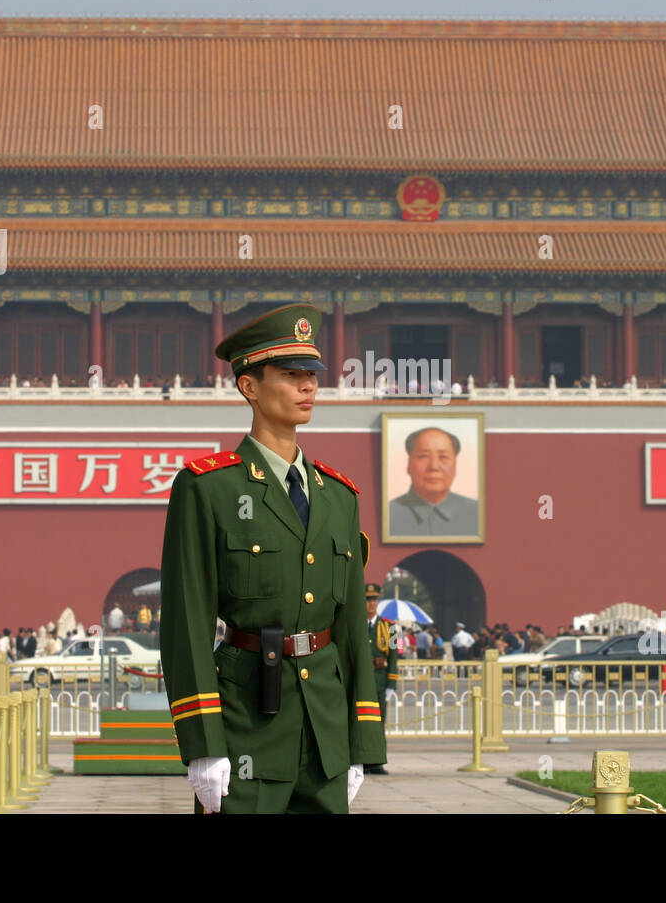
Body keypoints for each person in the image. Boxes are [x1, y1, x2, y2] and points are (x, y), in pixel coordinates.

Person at [160, 303, 384, 814]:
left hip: (324, 731)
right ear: (250, 387)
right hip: (246, 727)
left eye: (312, 376)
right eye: (291, 375)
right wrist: (202, 743)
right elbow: (186, 624)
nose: (308, 387)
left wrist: (361, 741)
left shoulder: (339, 496)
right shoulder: (208, 488)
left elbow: (351, 627)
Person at [387, 427, 480, 537]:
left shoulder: (478, 513)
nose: (433, 466)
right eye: (423, 456)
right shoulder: (388, 514)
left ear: (455, 466)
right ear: (409, 465)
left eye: (443, 457)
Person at [364, 583, 398, 776]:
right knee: (362, 721)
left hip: (379, 680)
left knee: (379, 722)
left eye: (375, 600)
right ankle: (361, 761)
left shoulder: (391, 628)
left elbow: (394, 656)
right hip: (362, 680)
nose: (371, 604)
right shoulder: (355, 623)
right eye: (368, 600)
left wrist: (391, 684)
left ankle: (377, 761)